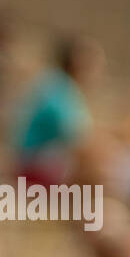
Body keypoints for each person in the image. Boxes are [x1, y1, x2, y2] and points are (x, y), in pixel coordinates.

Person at [8, 35, 104, 187]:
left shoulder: (57, 84)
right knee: (94, 164)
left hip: (33, 159)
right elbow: (79, 138)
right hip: (32, 165)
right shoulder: (59, 89)